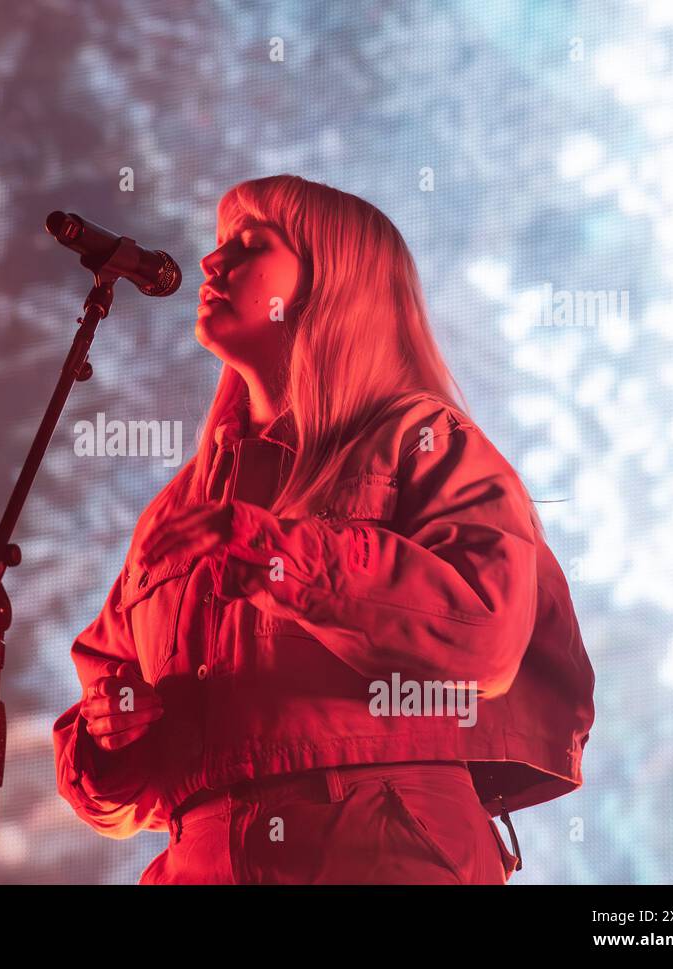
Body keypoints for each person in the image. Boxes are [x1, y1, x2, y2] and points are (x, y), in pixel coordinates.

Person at [52, 174, 596, 884]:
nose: (212, 264)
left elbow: (483, 634)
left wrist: (275, 556)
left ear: (332, 280)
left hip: (380, 848)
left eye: (250, 246)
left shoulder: (425, 442)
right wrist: (109, 736)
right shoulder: (175, 510)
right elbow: (110, 714)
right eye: (220, 247)